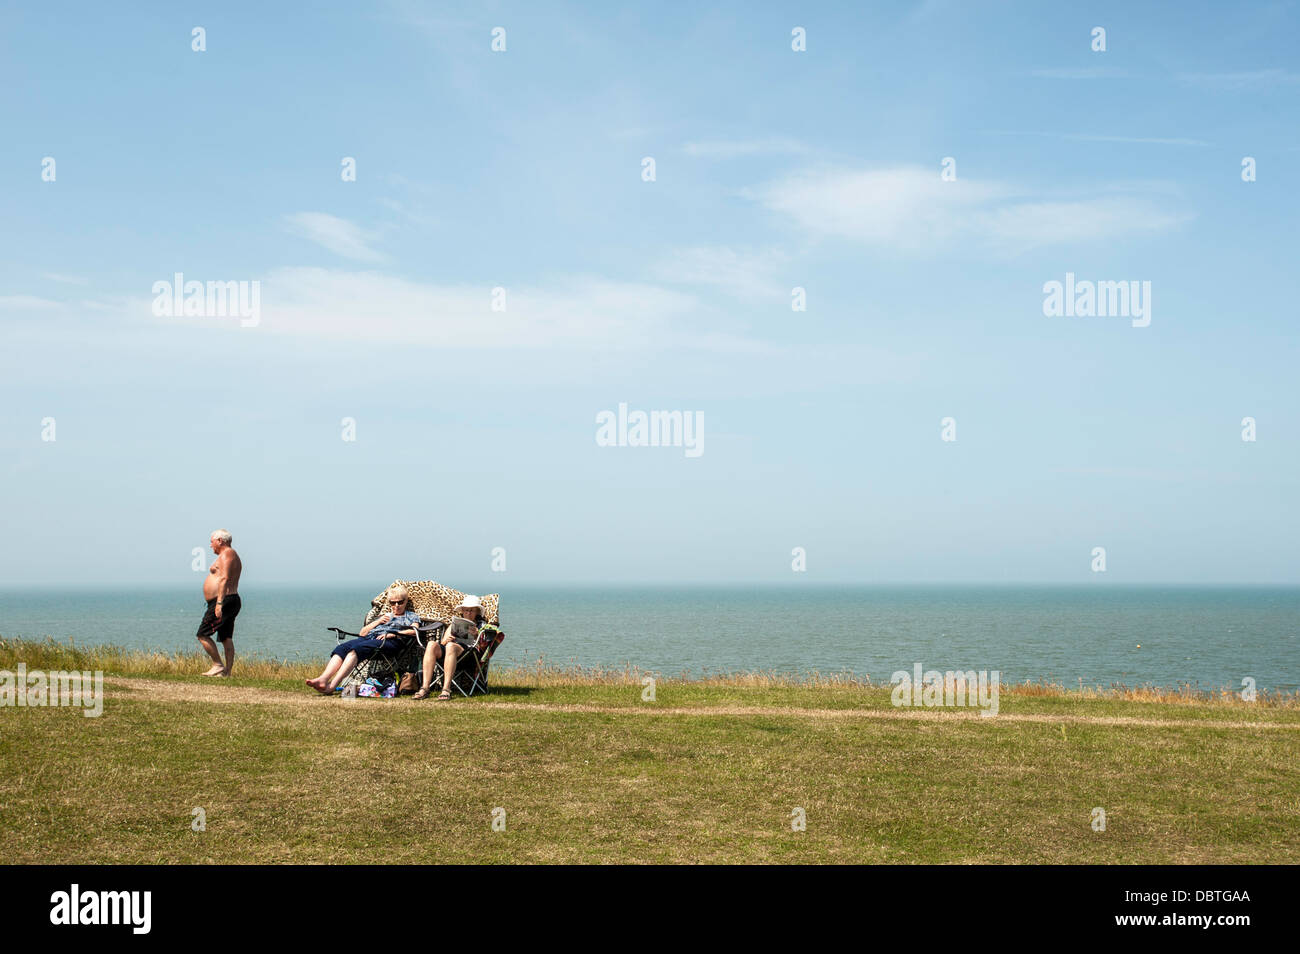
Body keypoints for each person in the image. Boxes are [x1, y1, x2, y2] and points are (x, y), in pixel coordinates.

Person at [306, 586, 420, 695]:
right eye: (392, 603)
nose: (396, 606)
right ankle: (323, 679)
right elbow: (362, 633)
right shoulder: (384, 616)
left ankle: (332, 686)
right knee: (341, 649)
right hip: (369, 638)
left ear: (405, 602)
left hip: (390, 643)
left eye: (400, 602)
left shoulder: (411, 616)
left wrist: (394, 634)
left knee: (356, 650)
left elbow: (415, 631)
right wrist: (378, 621)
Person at [414, 595, 484, 700]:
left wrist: (476, 635)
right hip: (449, 652)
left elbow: (483, 648)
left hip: (468, 655)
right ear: (462, 611)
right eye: (466, 610)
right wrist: (447, 640)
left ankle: (446, 689)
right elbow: (443, 643)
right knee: (431, 644)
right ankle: (425, 687)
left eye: (471, 610)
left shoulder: (481, 625)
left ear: (477, 612)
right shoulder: (454, 624)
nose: (468, 613)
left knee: (451, 646)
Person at [196, 529, 242, 677]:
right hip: (229, 599)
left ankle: (217, 665)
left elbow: (224, 579)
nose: (210, 545)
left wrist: (219, 603)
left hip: (224, 600)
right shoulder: (228, 555)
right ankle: (227, 672)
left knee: (202, 634)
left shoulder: (227, 554)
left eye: (212, 541)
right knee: (225, 637)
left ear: (220, 541)